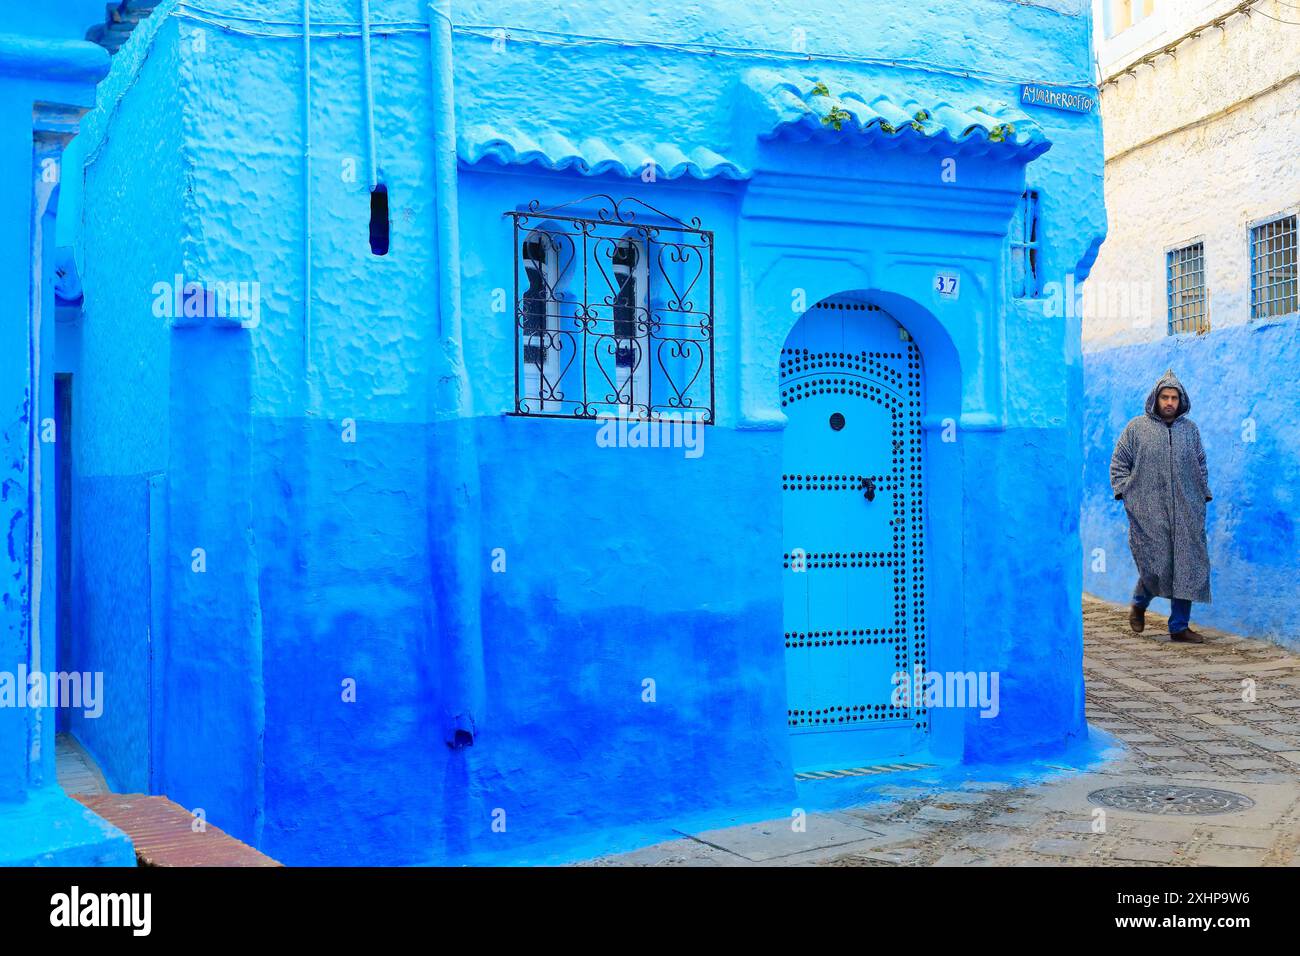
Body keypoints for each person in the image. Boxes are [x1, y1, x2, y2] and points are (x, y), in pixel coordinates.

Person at [1109, 370, 1212, 643]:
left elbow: (1200, 464)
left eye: (1174, 397)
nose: (1169, 402)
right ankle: (1139, 604)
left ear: (1181, 400)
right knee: (1156, 565)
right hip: (1149, 511)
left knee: (1186, 565)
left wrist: (1201, 494)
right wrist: (1125, 492)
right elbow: (1119, 463)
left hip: (1187, 511)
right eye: (1164, 397)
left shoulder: (1190, 431)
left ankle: (1179, 626)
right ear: (1155, 399)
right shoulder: (1136, 429)